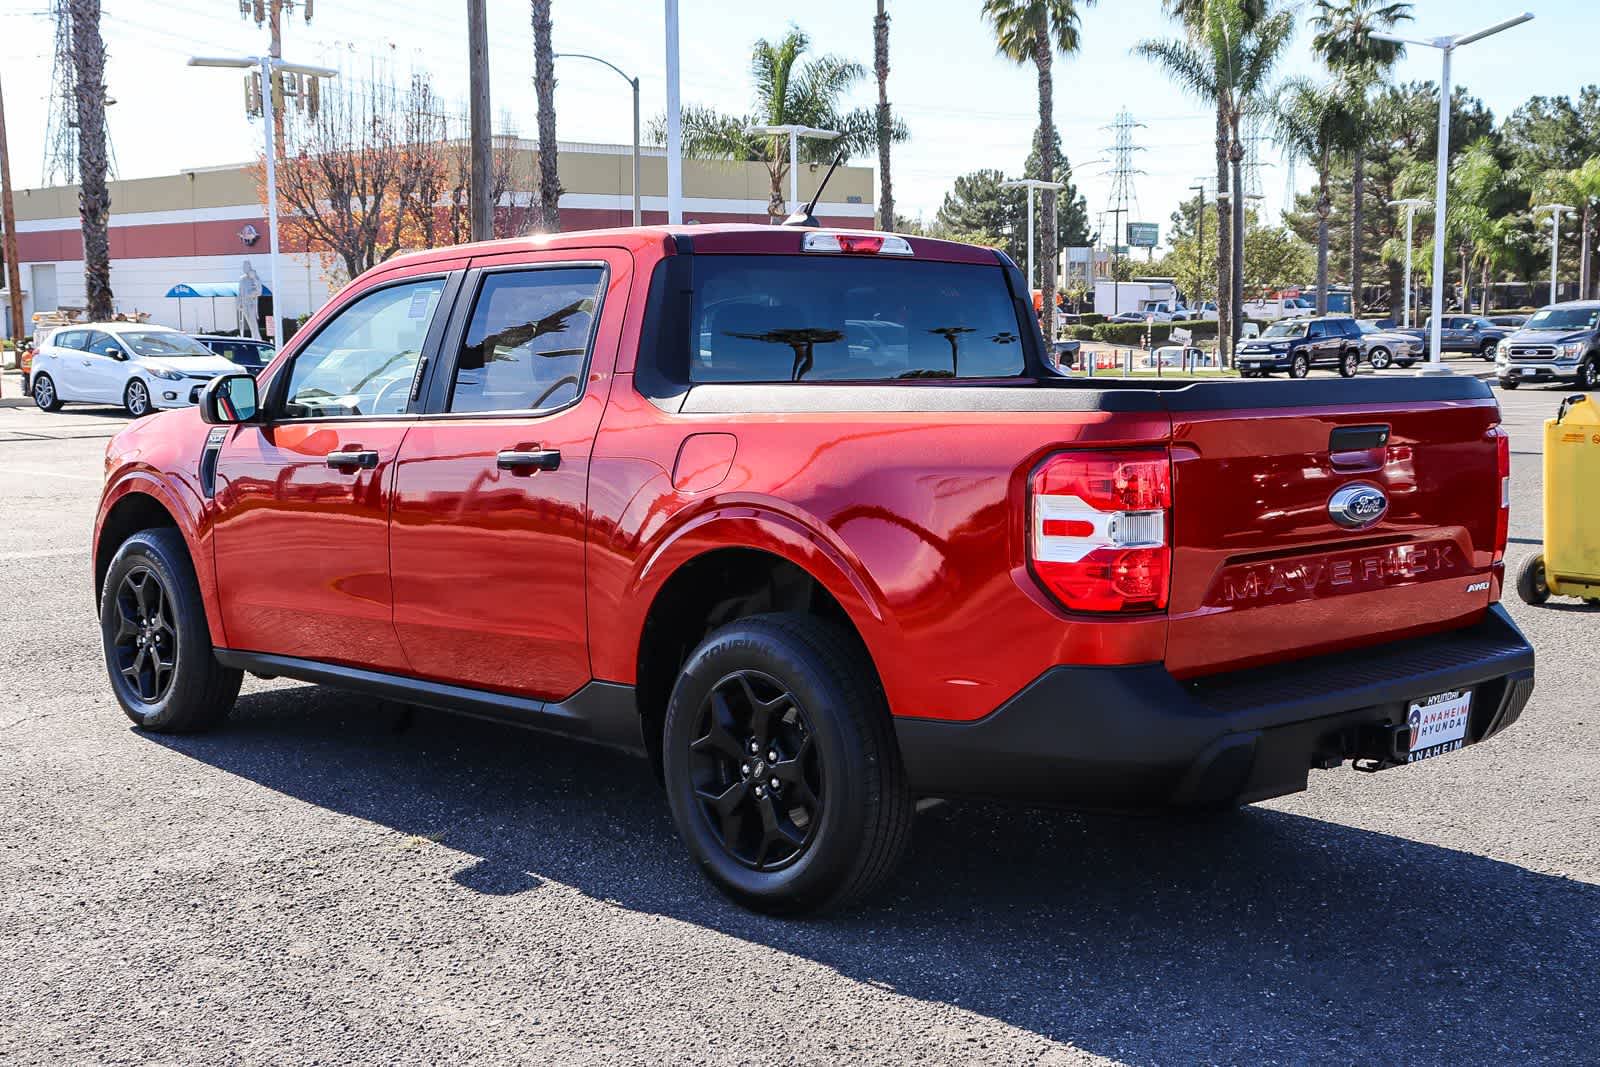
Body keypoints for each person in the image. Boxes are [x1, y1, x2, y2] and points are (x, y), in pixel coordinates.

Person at [236, 261, 263, 340]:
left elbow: (259, 291)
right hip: (244, 304)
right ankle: (254, 338)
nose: (244, 268)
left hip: (251, 304)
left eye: (246, 267)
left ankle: (257, 339)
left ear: (249, 267)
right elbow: (240, 292)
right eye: (243, 267)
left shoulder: (255, 278)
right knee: (249, 323)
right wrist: (239, 302)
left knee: (253, 323)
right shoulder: (242, 279)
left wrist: (254, 278)